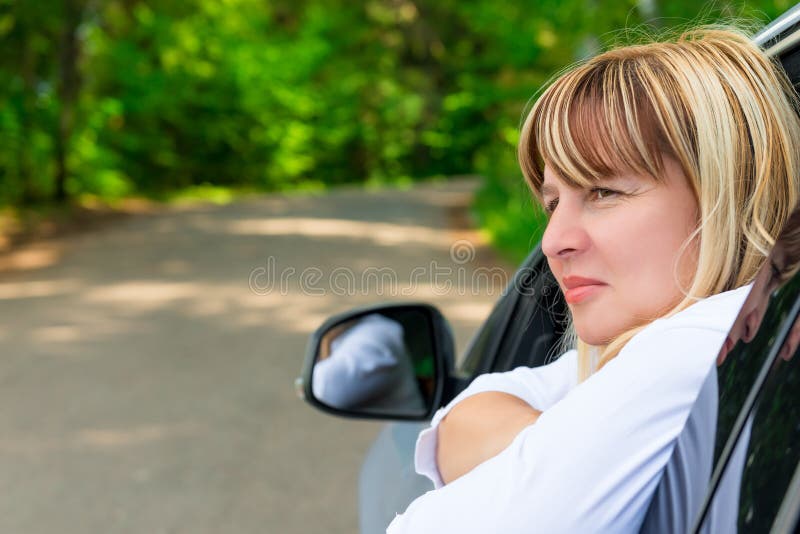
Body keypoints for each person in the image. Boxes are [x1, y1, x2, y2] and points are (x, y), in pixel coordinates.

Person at [387, 27, 800, 533]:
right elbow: (458, 422)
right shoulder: (651, 349)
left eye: (604, 192)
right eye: (553, 203)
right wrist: (566, 442)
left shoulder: (690, 346)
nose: (552, 241)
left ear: (730, 195)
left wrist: (557, 448)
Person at [312, 313, 426, 414]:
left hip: (401, 429)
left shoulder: (375, 334)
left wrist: (325, 340)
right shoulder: (346, 331)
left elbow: (324, 392)